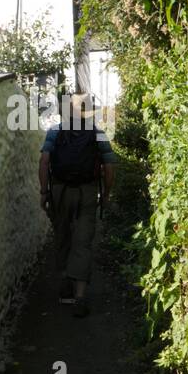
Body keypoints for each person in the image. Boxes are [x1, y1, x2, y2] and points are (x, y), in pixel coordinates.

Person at [39, 93, 116, 318]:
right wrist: (107, 193)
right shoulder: (98, 134)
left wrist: (44, 192)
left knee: (62, 235)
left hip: (60, 190)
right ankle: (80, 298)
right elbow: (109, 167)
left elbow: (44, 161)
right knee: (83, 242)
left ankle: (65, 284)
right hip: (87, 191)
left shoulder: (55, 131)